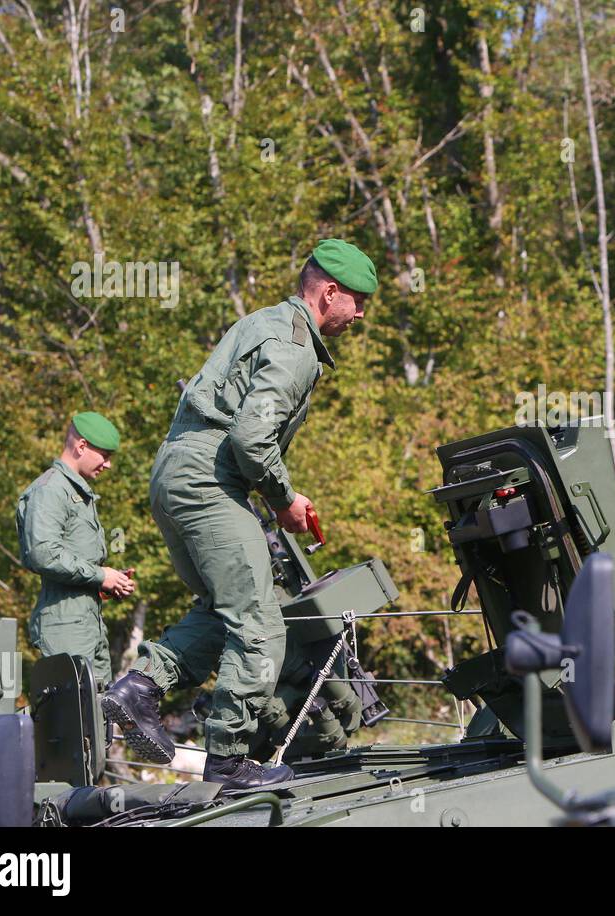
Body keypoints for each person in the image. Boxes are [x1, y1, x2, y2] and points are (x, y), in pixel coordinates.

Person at [103, 239, 376, 789]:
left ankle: (137, 689)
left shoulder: (261, 322)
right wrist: (285, 500)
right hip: (211, 481)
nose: (362, 314)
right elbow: (253, 439)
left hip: (174, 475)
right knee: (259, 623)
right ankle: (228, 759)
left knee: (222, 608)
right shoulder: (296, 346)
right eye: (358, 301)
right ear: (329, 293)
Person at [16, 412, 133, 687]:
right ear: (81, 446)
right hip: (65, 626)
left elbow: (75, 560)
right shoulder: (50, 490)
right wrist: (100, 575)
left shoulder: (78, 493)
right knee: (74, 717)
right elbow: (43, 553)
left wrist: (108, 582)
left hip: (88, 623)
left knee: (97, 716)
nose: (108, 465)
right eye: (104, 456)